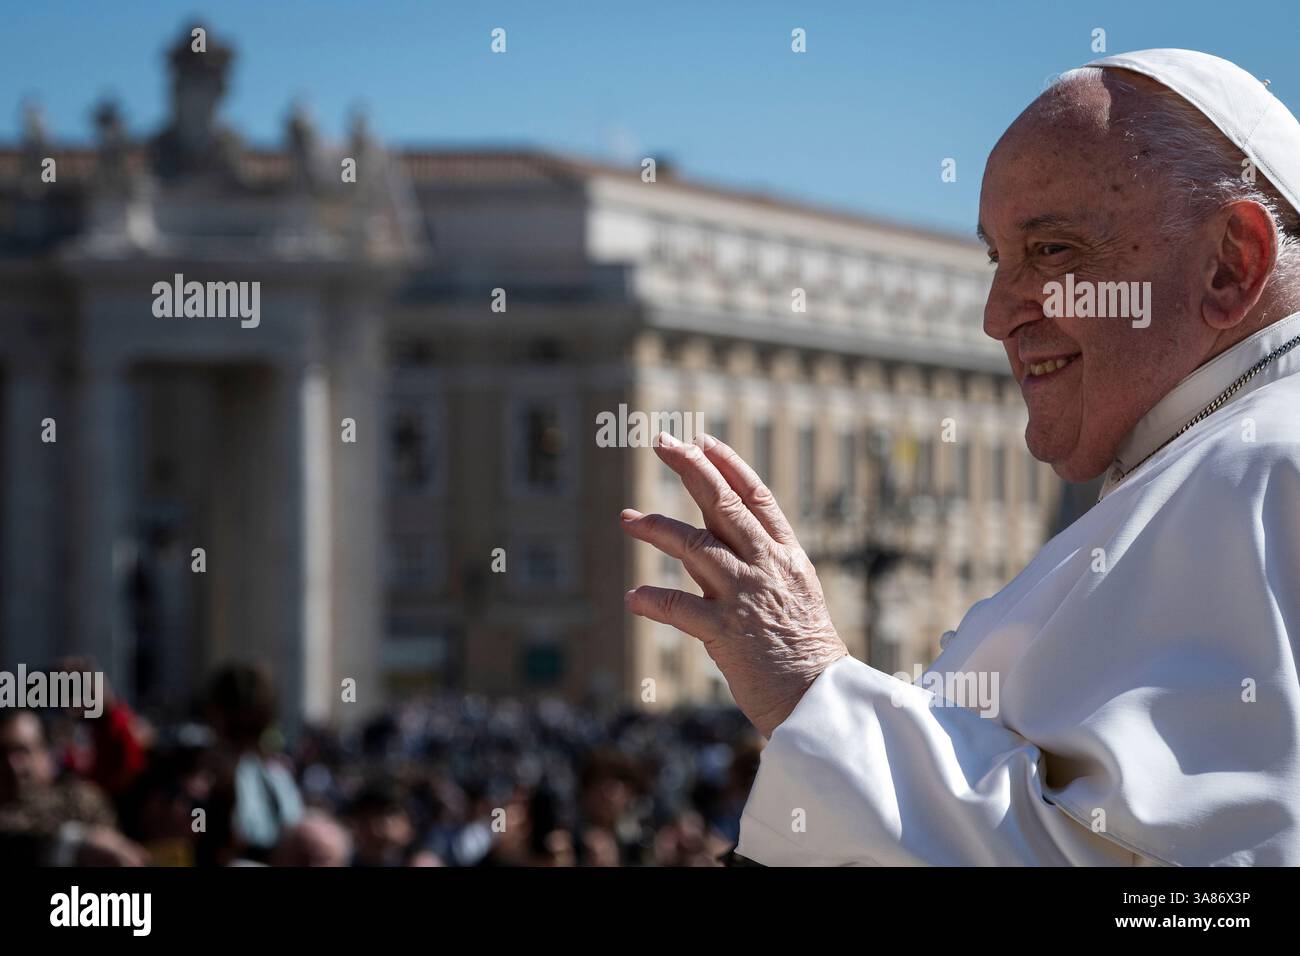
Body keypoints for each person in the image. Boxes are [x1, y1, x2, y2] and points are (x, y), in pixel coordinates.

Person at [621, 49, 1300, 865]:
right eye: (996, 259)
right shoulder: (1201, 461)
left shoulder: (1265, 471)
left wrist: (815, 691)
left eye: (1050, 252)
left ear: (1231, 264)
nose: (996, 314)